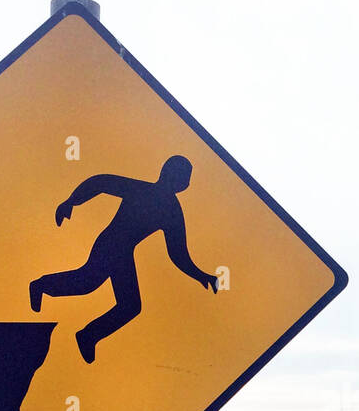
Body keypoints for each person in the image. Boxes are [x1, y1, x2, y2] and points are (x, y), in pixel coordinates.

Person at [30, 155, 218, 363]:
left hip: (124, 251)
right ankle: (42, 287)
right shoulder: (141, 190)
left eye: (187, 178)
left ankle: (87, 335)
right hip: (110, 243)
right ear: (168, 174)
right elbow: (100, 182)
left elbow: (177, 253)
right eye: (183, 176)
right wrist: (71, 202)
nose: (186, 182)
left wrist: (200, 274)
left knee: (128, 304)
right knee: (88, 284)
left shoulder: (172, 211)